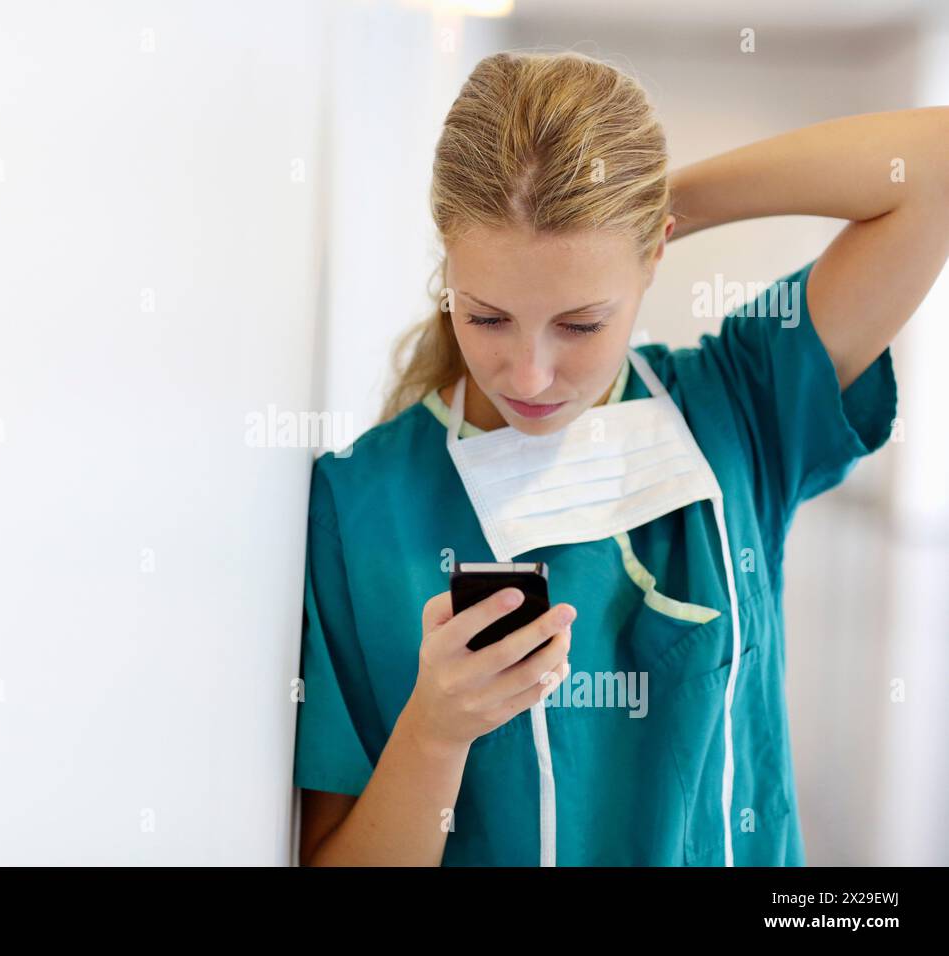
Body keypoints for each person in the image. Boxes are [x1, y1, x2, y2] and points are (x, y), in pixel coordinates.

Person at [293, 49, 947, 866]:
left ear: (655, 261)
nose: (530, 374)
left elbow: (935, 164)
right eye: (488, 316)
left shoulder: (740, 405)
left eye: (581, 322)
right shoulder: (359, 504)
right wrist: (436, 729)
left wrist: (644, 206)